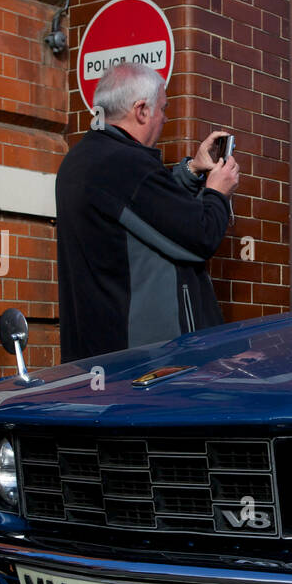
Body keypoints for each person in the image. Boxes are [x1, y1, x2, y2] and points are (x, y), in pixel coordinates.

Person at [56, 61, 240, 363]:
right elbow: (200, 234)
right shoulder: (125, 164)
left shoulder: (80, 160)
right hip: (150, 364)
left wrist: (192, 170)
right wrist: (217, 192)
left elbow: (145, 214)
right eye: (162, 109)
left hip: (100, 356)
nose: (165, 119)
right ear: (141, 110)